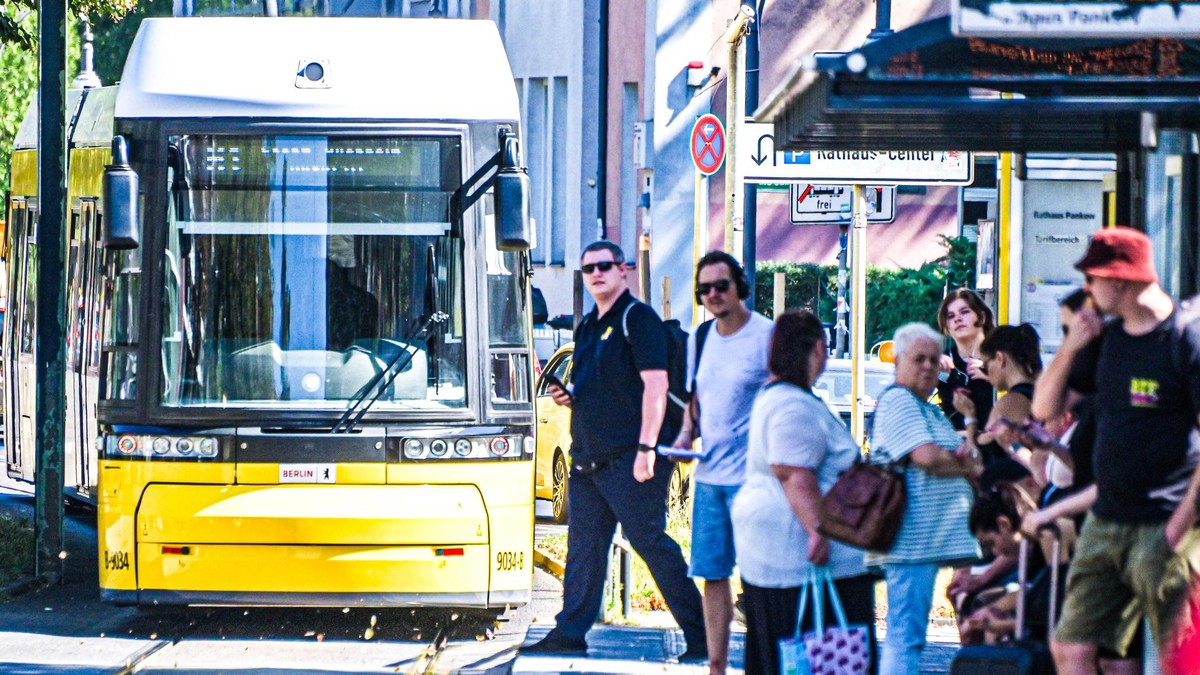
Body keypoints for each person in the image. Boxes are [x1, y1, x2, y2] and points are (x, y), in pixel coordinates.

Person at [522, 240, 707, 662]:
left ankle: (701, 636)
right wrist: (568, 395)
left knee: (652, 544)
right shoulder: (588, 326)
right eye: (589, 269)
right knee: (584, 549)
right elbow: (599, 387)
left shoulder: (637, 319)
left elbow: (656, 387)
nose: (597, 274)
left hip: (630, 458)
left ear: (622, 270)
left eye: (605, 266)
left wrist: (647, 449)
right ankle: (570, 632)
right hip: (587, 459)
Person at [1030, 226, 1200, 673]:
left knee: (1179, 658)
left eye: (1092, 278)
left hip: (1165, 521)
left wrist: (1177, 530)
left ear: (1119, 279)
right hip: (1106, 520)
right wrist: (1071, 345)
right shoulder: (1105, 339)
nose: (1087, 289)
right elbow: (1044, 407)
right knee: (1071, 647)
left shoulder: (1185, 338)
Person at [729, 311, 875, 675]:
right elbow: (793, 472)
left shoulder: (779, 397)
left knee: (782, 656)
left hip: (778, 555)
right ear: (816, 349)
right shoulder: (792, 405)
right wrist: (818, 531)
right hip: (798, 557)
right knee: (810, 655)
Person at [670, 251, 772, 675]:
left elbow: (785, 395)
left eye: (720, 286)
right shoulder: (701, 337)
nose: (712, 294)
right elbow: (696, 398)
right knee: (713, 575)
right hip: (709, 476)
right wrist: (682, 435)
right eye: (704, 289)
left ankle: (762, 663)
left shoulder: (767, 335)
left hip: (755, 478)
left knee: (759, 579)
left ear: (740, 286)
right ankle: (716, 666)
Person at [866, 322, 982, 675]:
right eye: (919, 359)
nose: (928, 367)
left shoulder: (928, 409)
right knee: (906, 634)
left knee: (911, 633)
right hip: (909, 541)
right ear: (898, 361)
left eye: (935, 360)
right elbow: (928, 458)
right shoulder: (899, 401)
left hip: (928, 541)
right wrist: (961, 463)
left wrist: (969, 431)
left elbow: (969, 459)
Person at [961, 323, 1043, 491]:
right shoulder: (1039, 393)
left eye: (985, 365)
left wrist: (969, 416)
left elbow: (976, 451)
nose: (985, 372)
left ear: (1000, 358)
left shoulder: (1012, 401)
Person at [936, 288, 996, 433]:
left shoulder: (1000, 356)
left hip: (998, 445)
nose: (957, 319)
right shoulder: (942, 360)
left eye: (965, 312)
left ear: (982, 317)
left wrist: (990, 378)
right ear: (946, 326)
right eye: (950, 316)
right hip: (957, 444)